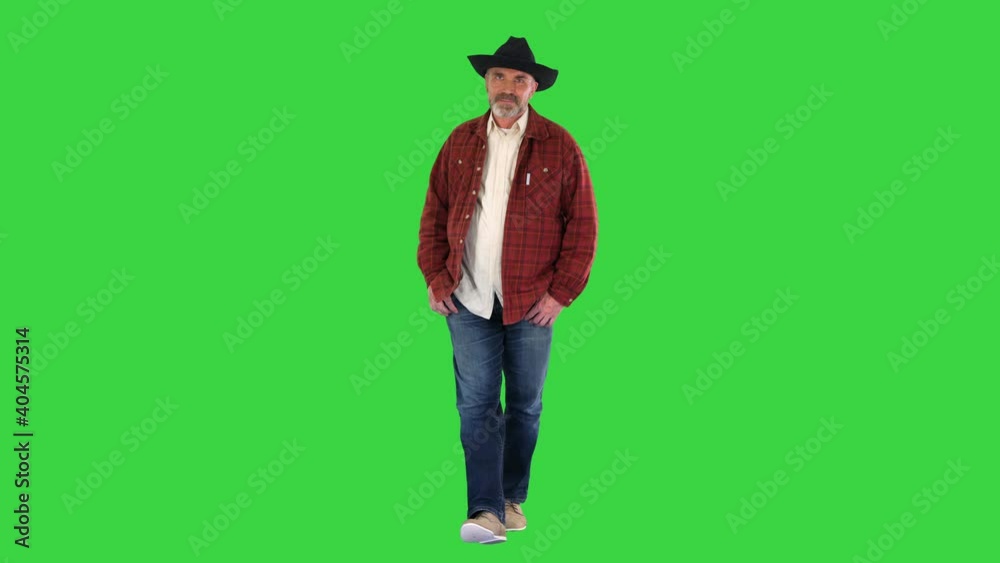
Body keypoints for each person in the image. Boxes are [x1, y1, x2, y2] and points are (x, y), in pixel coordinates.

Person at [417, 36, 598, 544]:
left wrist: (561, 293)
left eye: (520, 79)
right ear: (486, 82)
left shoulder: (560, 146)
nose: (508, 87)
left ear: (534, 88)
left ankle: (512, 499)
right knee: (476, 405)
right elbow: (433, 214)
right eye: (500, 76)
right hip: (467, 298)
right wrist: (435, 278)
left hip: (532, 302)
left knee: (525, 404)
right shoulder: (458, 142)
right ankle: (485, 511)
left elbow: (583, 226)